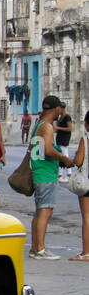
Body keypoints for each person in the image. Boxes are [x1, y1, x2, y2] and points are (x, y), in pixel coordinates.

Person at [29, 96, 76, 260]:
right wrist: (64, 158)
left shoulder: (38, 125)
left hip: (39, 171)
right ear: (56, 109)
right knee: (45, 211)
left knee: (40, 211)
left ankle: (35, 247)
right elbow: (48, 150)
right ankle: (40, 249)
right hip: (45, 173)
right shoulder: (47, 127)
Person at [69, 110, 89, 262]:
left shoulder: (86, 139)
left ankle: (86, 252)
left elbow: (79, 161)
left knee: (87, 218)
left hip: (87, 182)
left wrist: (76, 155)